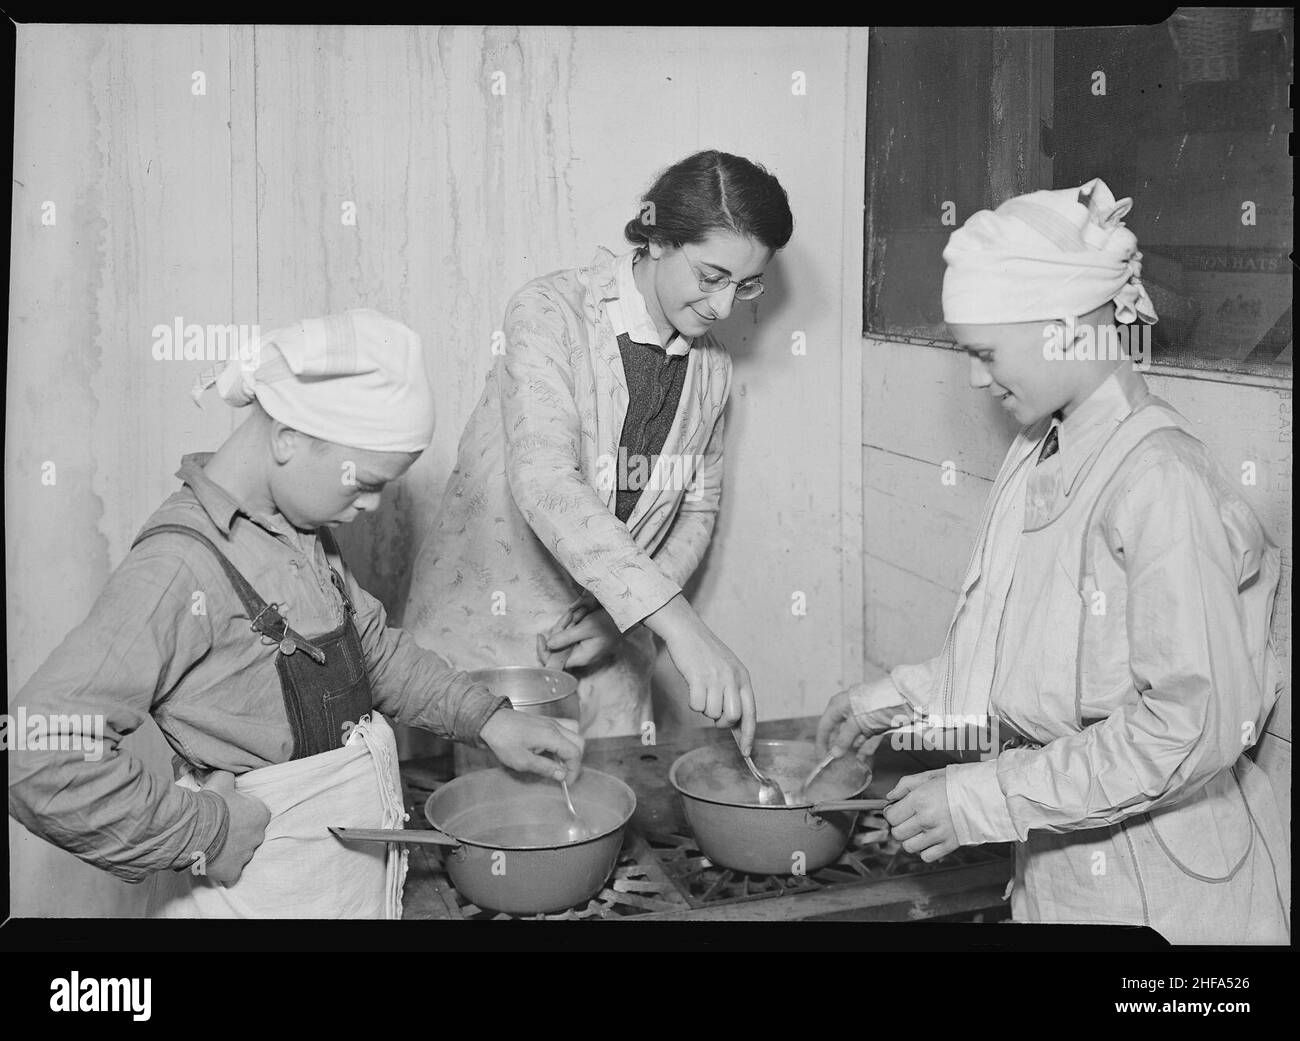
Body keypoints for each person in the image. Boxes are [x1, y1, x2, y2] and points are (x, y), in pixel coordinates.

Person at [817, 179, 1289, 944]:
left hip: (1165, 901)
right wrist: (888, 703)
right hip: (1061, 869)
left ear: (1065, 327)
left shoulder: (1159, 479)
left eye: (984, 352)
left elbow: (1188, 729)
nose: (976, 377)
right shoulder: (1040, 450)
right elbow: (1015, 654)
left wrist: (977, 800)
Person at [8, 309, 583, 918]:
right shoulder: (180, 566)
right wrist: (205, 834)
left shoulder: (297, 533)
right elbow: (42, 754)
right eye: (362, 481)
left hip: (337, 889)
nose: (371, 505)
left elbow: (373, 653)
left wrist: (490, 721)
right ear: (286, 438)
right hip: (253, 899)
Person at [404, 151, 794, 752]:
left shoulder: (712, 369)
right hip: (487, 642)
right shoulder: (548, 312)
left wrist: (621, 617)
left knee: (603, 811)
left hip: (613, 646)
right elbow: (546, 483)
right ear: (659, 237)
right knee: (475, 819)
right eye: (711, 277)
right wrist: (681, 626)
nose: (723, 307)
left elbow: (697, 505)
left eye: (745, 285)